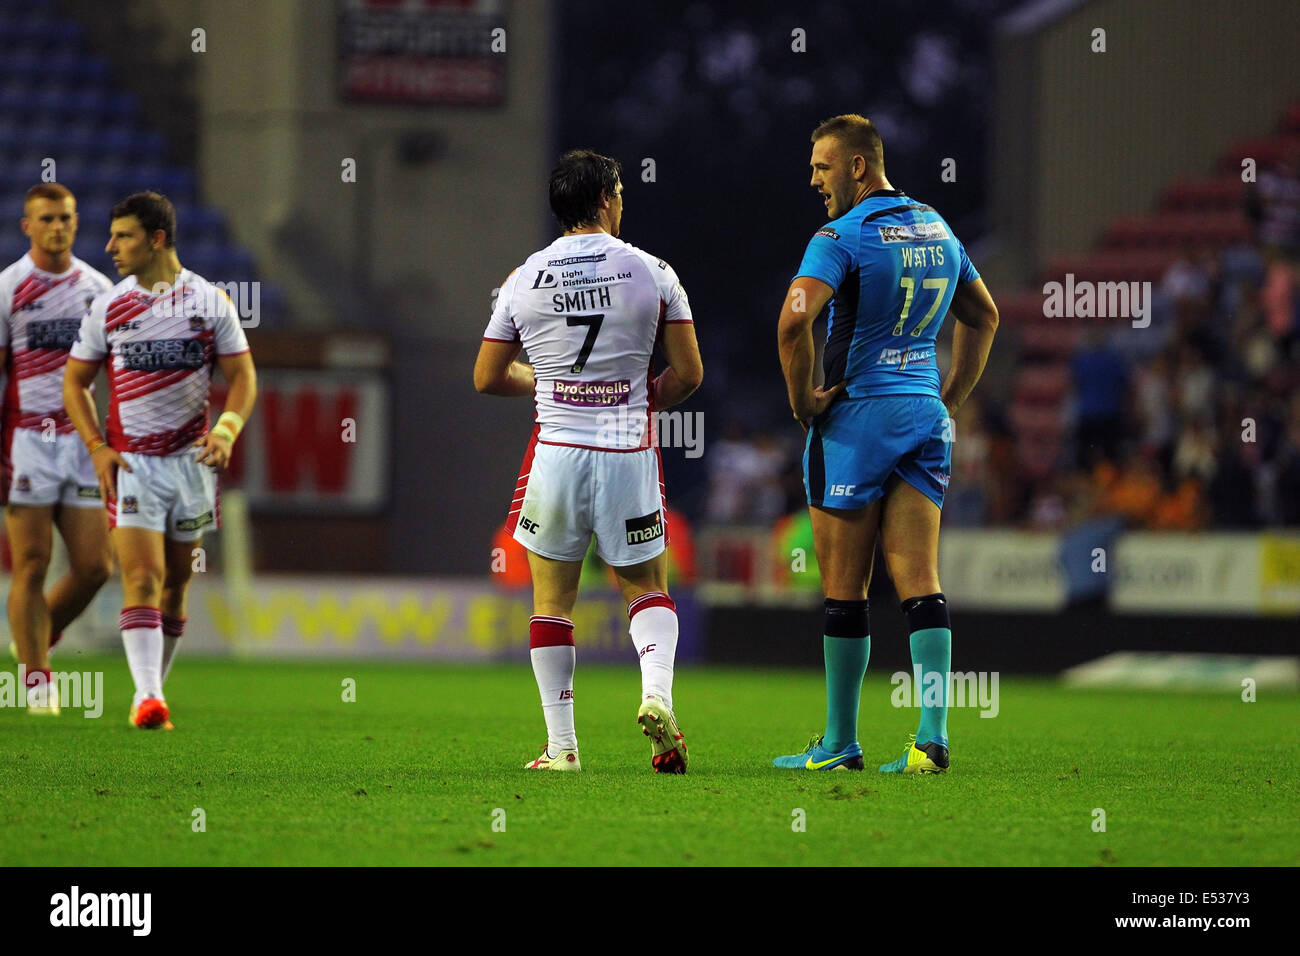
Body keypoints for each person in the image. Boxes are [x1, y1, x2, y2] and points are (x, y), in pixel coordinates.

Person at [773, 114, 998, 773]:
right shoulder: (935, 225)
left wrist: (802, 401)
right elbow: (983, 315)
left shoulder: (839, 236)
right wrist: (948, 398)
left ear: (858, 167)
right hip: (924, 415)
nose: (813, 179)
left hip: (856, 417)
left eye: (822, 165)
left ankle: (840, 743)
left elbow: (793, 326)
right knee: (921, 581)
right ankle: (931, 739)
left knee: (845, 588)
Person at [475, 149, 703, 773]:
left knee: (551, 602)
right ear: (604, 199)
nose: (624, 201)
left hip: (557, 454)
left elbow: (487, 376)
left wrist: (546, 380)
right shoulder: (654, 272)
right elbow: (689, 373)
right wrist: (645, 396)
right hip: (627, 451)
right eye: (621, 191)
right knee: (645, 588)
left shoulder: (523, 278)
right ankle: (655, 697)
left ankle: (563, 748)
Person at [63, 192, 257, 729]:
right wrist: (98, 448)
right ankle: (148, 699)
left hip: (192, 464)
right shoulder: (109, 306)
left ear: (156, 239)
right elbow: (75, 383)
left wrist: (227, 430)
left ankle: (152, 693)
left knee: (176, 584)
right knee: (142, 577)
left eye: (122, 236)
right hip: (132, 465)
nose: (110, 247)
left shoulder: (209, 302)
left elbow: (242, 376)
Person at [0, 184, 114, 714]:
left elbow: (112, 372)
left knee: (95, 568)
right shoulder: (9, 288)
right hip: (25, 440)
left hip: (79, 440)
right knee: (32, 562)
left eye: (66, 217)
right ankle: (36, 681)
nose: (58, 227)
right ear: (28, 226)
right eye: (46, 218)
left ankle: (33, 639)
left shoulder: (97, 287)